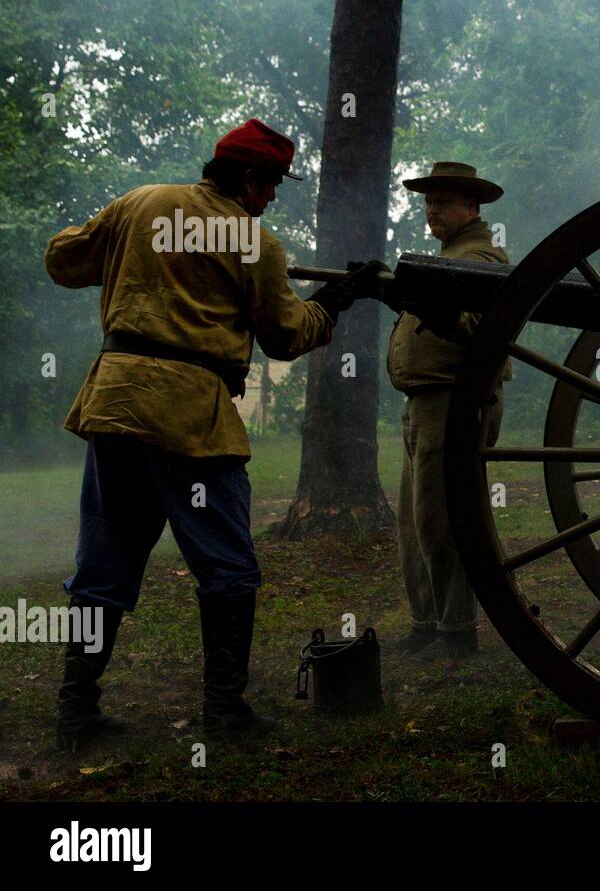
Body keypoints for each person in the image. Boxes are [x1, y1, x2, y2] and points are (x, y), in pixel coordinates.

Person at [45, 118, 377, 750]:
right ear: (250, 180)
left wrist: (128, 246)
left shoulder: (138, 202)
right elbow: (285, 334)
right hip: (190, 417)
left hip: (116, 404)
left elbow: (64, 258)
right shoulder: (254, 242)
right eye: (273, 184)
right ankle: (224, 713)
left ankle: (75, 713)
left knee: (103, 567)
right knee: (227, 568)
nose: (274, 196)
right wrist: (337, 301)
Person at [385, 162, 512, 661]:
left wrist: (430, 307)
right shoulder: (449, 255)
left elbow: (477, 330)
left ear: (472, 208)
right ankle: (428, 622)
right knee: (415, 521)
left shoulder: (480, 256)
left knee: (443, 519)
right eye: (428, 202)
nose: (432, 210)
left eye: (444, 202)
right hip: (425, 402)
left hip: (456, 401)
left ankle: (456, 630)